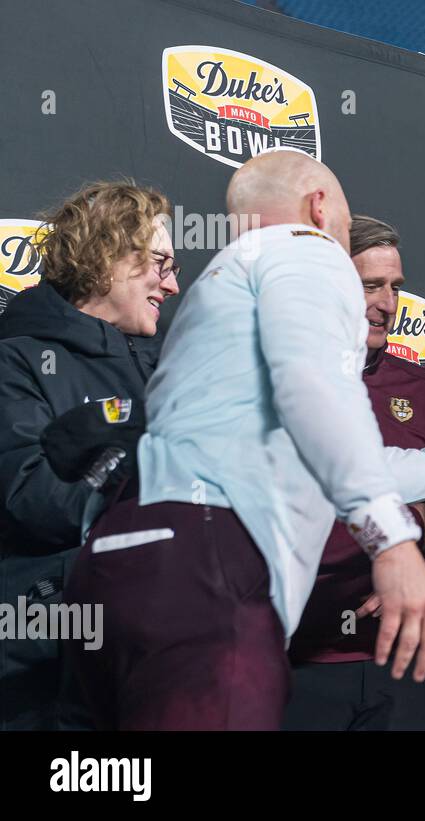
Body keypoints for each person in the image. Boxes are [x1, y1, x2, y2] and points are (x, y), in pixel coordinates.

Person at [63, 151, 425, 730]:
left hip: (119, 566)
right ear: (319, 207)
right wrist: (390, 544)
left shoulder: (219, 293)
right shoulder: (309, 250)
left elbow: (331, 454)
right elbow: (315, 395)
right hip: (215, 568)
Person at [282, 216, 425, 730]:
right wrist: (410, 523)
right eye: (369, 285)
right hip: (298, 665)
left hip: (405, 668)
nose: (388, 303)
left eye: (395, 286)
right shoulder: (281, 386)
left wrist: (418, 577)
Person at [0, 180, 178, 729]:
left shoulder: (172, 369)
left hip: (153, 668)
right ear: (107, 257)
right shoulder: (18, 361)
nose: (173, 284)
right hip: (46, 674)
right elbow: (33, 498)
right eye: (160, 263)